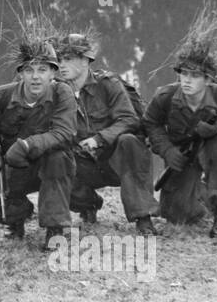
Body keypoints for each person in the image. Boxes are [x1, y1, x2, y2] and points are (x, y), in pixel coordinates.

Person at [144, 17, 217, 237]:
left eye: (194, 76)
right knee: (178, 215)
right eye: (183, 74)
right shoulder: (165, 96)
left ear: (208, 79)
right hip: (183, 156)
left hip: (213, 151)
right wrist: (168, 150)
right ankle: (203, 195)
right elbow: (150, 123)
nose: (187, 80)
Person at [55, 32, 157, 235]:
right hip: (84, 164)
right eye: (59, 60)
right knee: (55, 158)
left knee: (130, 142)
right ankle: (88, 205)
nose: (61, 65)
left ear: (85, 61)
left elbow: (129, 119)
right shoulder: (57, 92)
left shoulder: (108, 84)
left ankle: (143, 217)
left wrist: (99, 139)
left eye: (68, 59)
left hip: (115, 161)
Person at [0, 37, 77, 246]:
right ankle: (16, 220)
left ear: (53, 73)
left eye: (42, 70)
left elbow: (63, 132)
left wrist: (26, 144)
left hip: (50, 164)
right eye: (28, 70)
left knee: (58, 158)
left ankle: (55, 228)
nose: (35, 77)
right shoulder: (1, 96)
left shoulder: (63, 93)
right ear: (20, 73)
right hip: (14, 165)